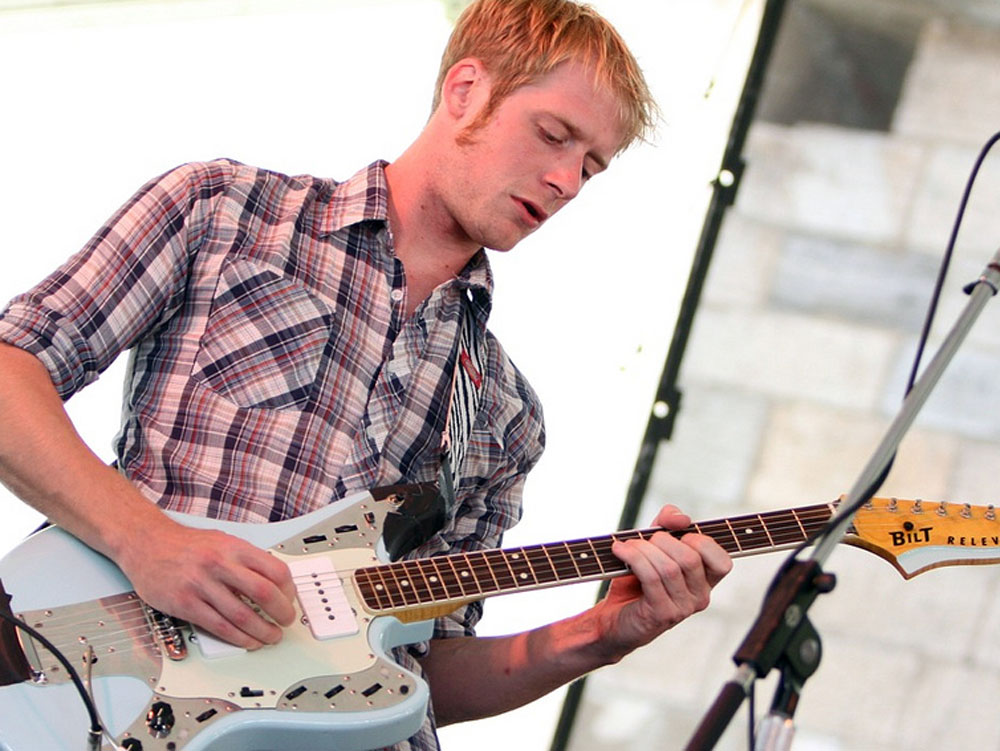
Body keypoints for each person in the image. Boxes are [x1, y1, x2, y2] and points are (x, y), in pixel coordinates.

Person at [0, 0, 732, 748]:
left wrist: (599, 634)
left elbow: (426, 671)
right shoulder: (224, 213)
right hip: (115, 697)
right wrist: (145, 540)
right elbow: (9, 369)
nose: (567, 180)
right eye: (554, 135)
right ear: (466, 90)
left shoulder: (506, 414)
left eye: (592, 166)